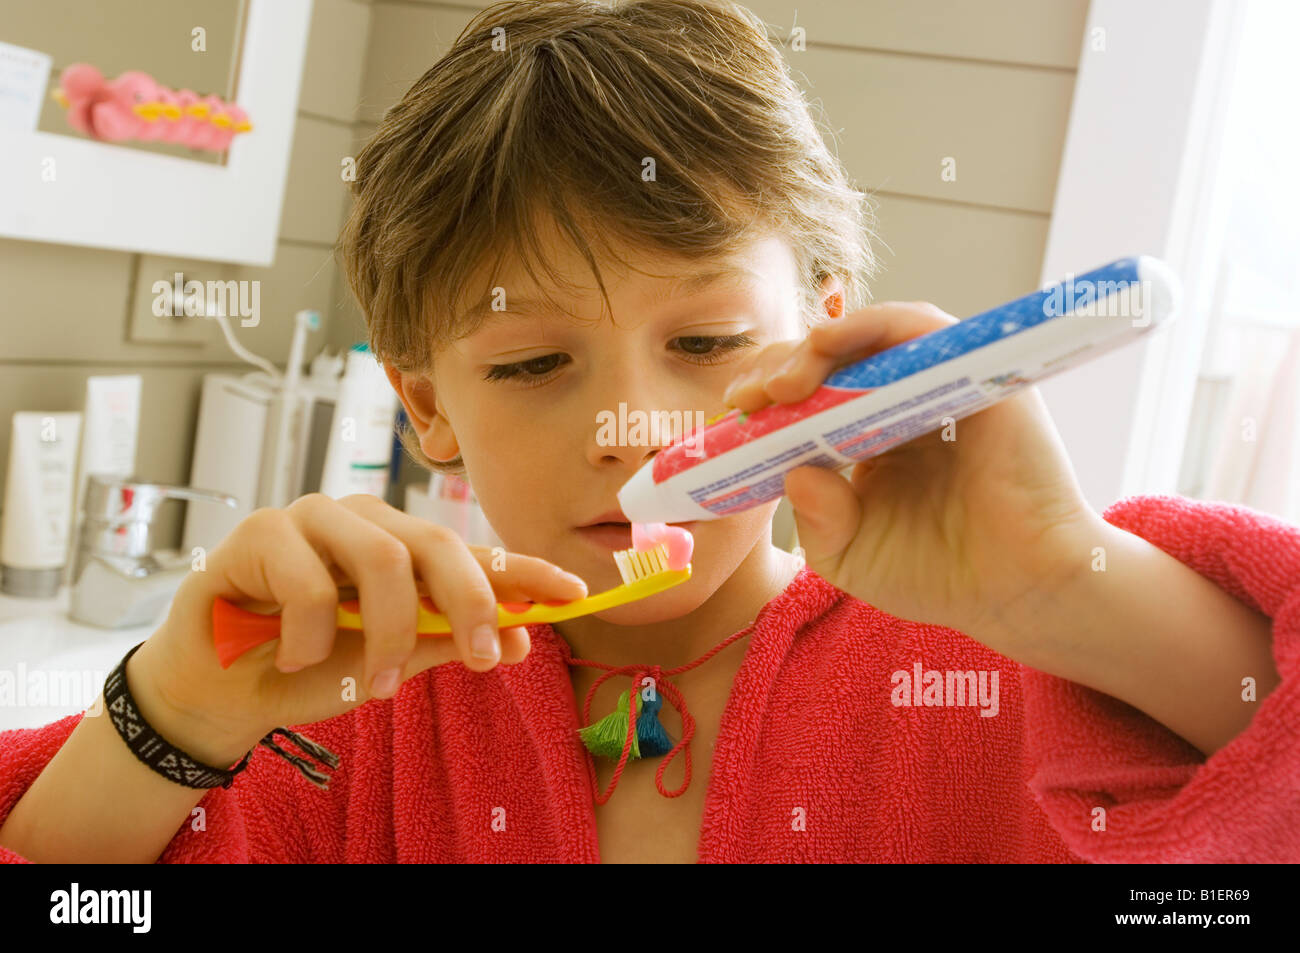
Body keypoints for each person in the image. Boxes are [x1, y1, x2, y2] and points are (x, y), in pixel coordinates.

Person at [2, 0, 1296, 864]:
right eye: (531, 362)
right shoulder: (353, 709)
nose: (632, 429)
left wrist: (1063, 583)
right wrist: (167, 713)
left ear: (826, 337)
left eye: (711, 342)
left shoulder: (990, 666)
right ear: (429, 405)